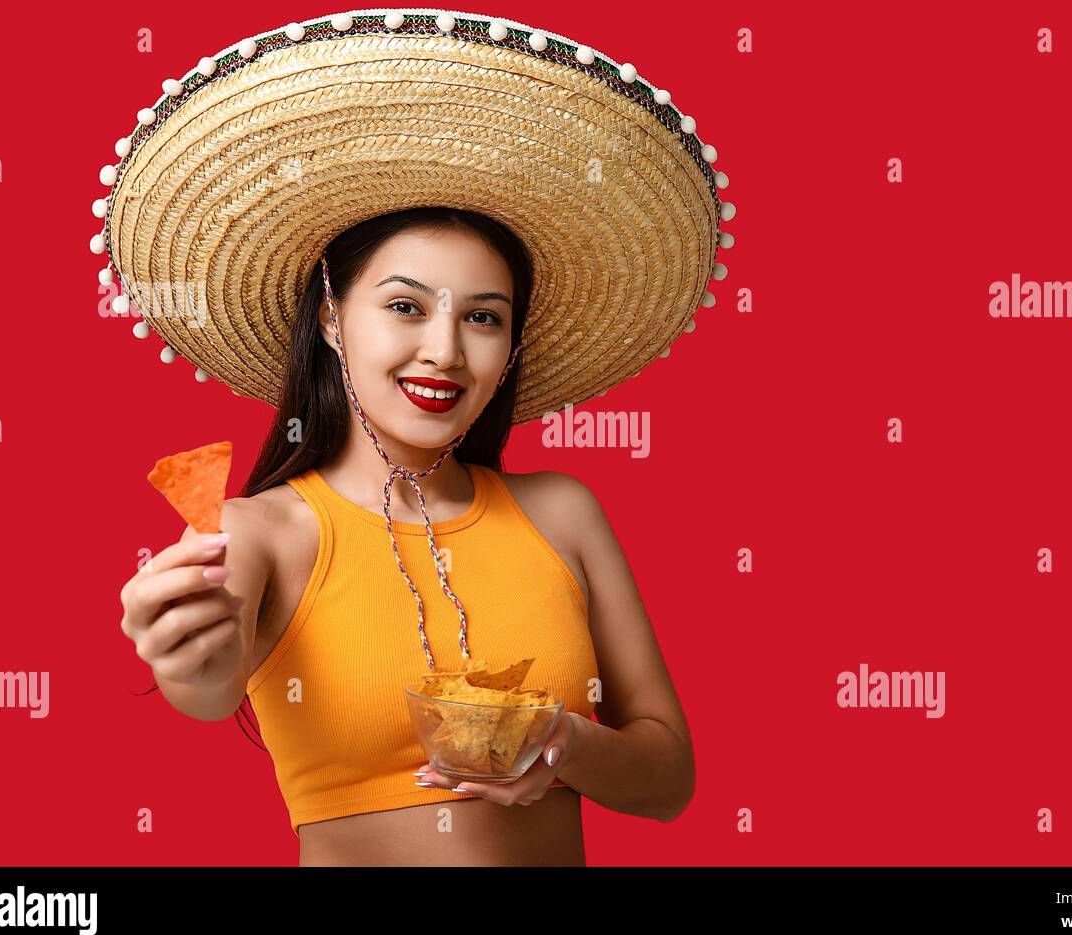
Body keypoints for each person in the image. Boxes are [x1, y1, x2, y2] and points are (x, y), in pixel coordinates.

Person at [104, 11, 735, 865]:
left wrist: (560, 745)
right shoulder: (262, 530)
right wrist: (183, 657)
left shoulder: (562, 513)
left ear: (510, 346)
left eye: (483, 317)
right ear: (331, 318)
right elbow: (210, 690)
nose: (444, 349)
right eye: (404, 306)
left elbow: (669, 778)